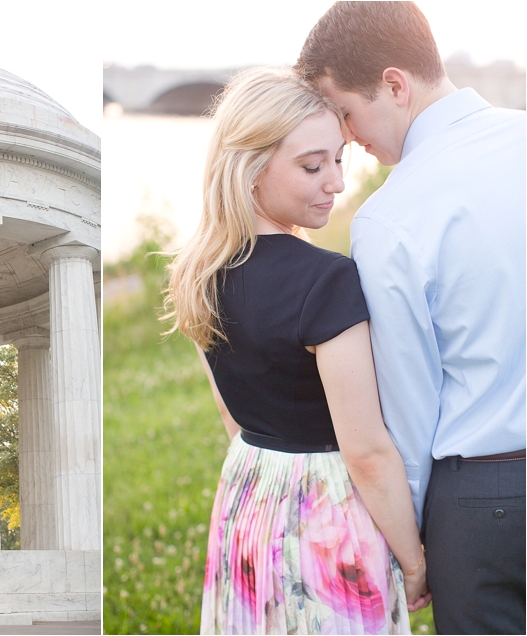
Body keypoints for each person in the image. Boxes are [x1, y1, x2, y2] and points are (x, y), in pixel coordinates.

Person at [163, 66, 428, 635]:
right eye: (312, 166)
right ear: (252, 168)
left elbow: (231, 416)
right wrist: (414, 561)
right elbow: (366, 452)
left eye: (339, 159)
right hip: (328, 512)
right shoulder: (326, 280)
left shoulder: (198, 274)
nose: (336, 182)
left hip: (248, 494)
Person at [295, 3, 526, 634]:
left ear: (395, 85)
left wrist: (414, 540)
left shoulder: (387, 218)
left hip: (482, 504)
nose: (345, 136)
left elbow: (410, 406)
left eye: (344, 111)